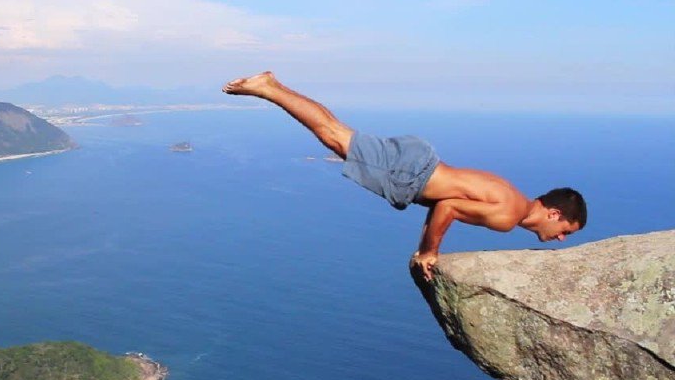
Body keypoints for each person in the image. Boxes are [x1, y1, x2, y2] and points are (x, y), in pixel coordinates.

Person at [222, 71, 587, 281]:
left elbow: (449, 203)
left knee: (338, 135)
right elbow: (449, 208)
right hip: (414, 172)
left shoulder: (512, 196)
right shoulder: (509, 215)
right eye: (565, 231)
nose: (560, 239)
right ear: (554, 214)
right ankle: (269, 87)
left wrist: (426, 244)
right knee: (334, 135)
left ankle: (271, 87)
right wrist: (429, 252)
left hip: (421, 166)